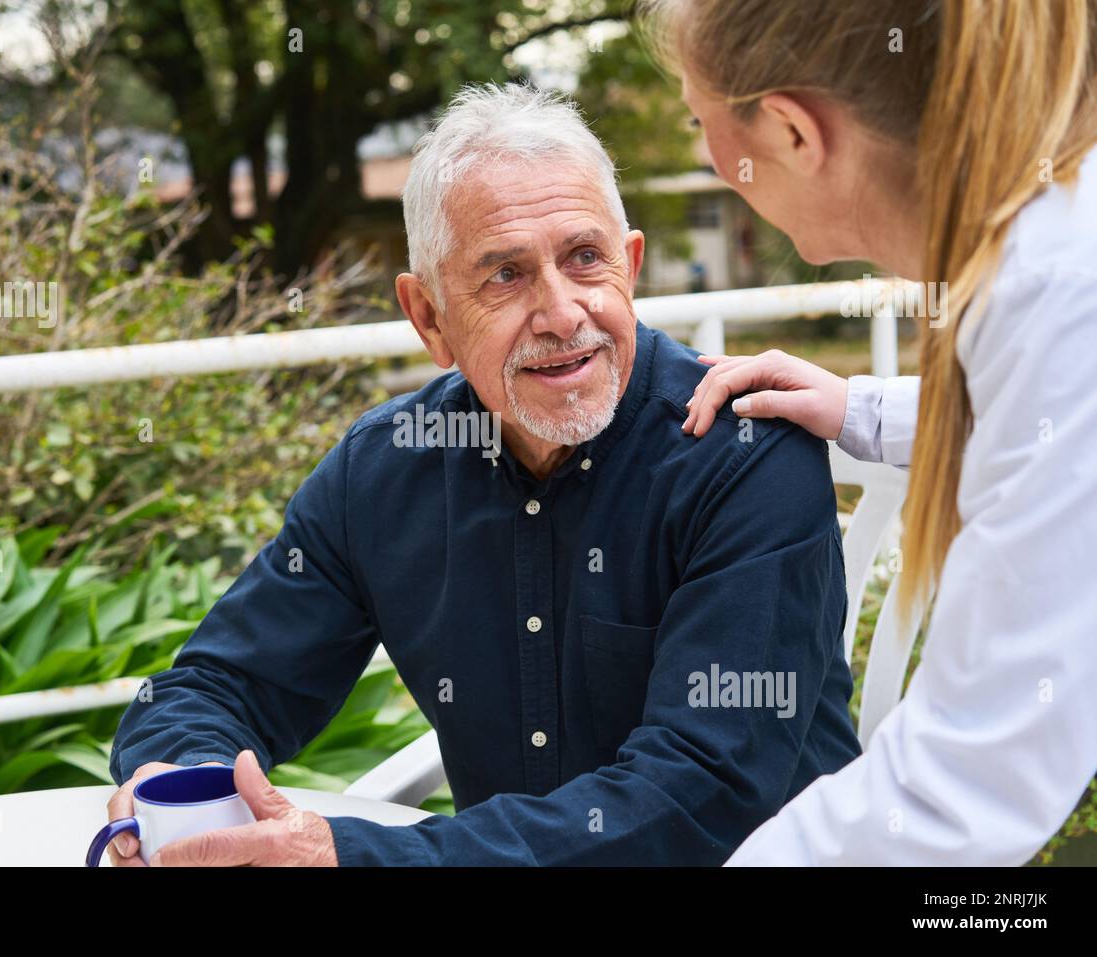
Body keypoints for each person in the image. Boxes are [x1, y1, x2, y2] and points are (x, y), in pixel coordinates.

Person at [103, 82, 861, 866]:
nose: (563, 312)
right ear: (428, 316)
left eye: (584, 258)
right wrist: (177, 774)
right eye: (505, 275)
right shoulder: (386, 470)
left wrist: (356, 859)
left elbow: (697, 796)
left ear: (629, 266)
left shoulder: (746, 455)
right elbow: (215, 686)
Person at [642, 0, 1097, 864]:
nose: (706, 151)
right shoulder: (1047, 250)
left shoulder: (1058, 295)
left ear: (790, 131)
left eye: (699, 120)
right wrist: (865, 409)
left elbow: (967, 783)